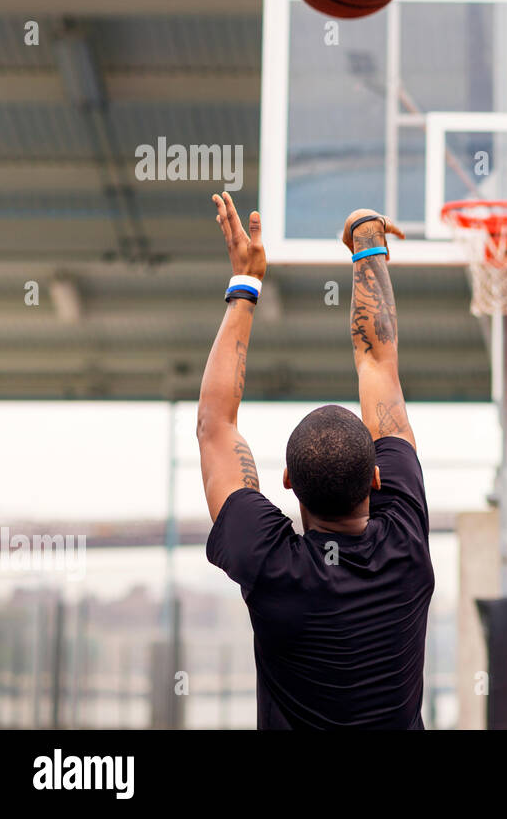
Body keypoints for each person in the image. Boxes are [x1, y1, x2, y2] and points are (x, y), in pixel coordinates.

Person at [196, 192, 434, 729]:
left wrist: (246, 285)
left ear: (286, 484)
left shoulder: (270, 564)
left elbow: (216, 427)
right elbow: (378, 362)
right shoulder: (407, 545)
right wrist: (365, 239)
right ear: (376, 479)